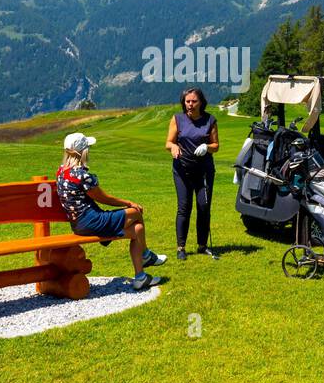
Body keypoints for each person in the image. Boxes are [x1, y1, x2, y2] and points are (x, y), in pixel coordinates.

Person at [56, 132, 165, 291]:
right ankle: (146, 255)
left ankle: (140, 277)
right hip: (92, 221)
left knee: (137, 229)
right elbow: (104, 198)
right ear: (83, 152)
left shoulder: (61, 172)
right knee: (135, 212)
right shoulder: (81, 175)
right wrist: (129, 203)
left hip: (79, 225)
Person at [165, 88, 220, 260]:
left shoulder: (210, 120)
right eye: (187, 101)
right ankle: (181, 247)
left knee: (203, 207)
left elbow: (216, 145)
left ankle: (202, 245)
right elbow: (168, 142)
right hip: (182, 171)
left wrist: (207, 147)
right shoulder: (177, 119)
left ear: (201, 102)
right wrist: (174, 146)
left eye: (194, 101)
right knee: (184, 207)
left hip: (204, 172)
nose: (190, 104)